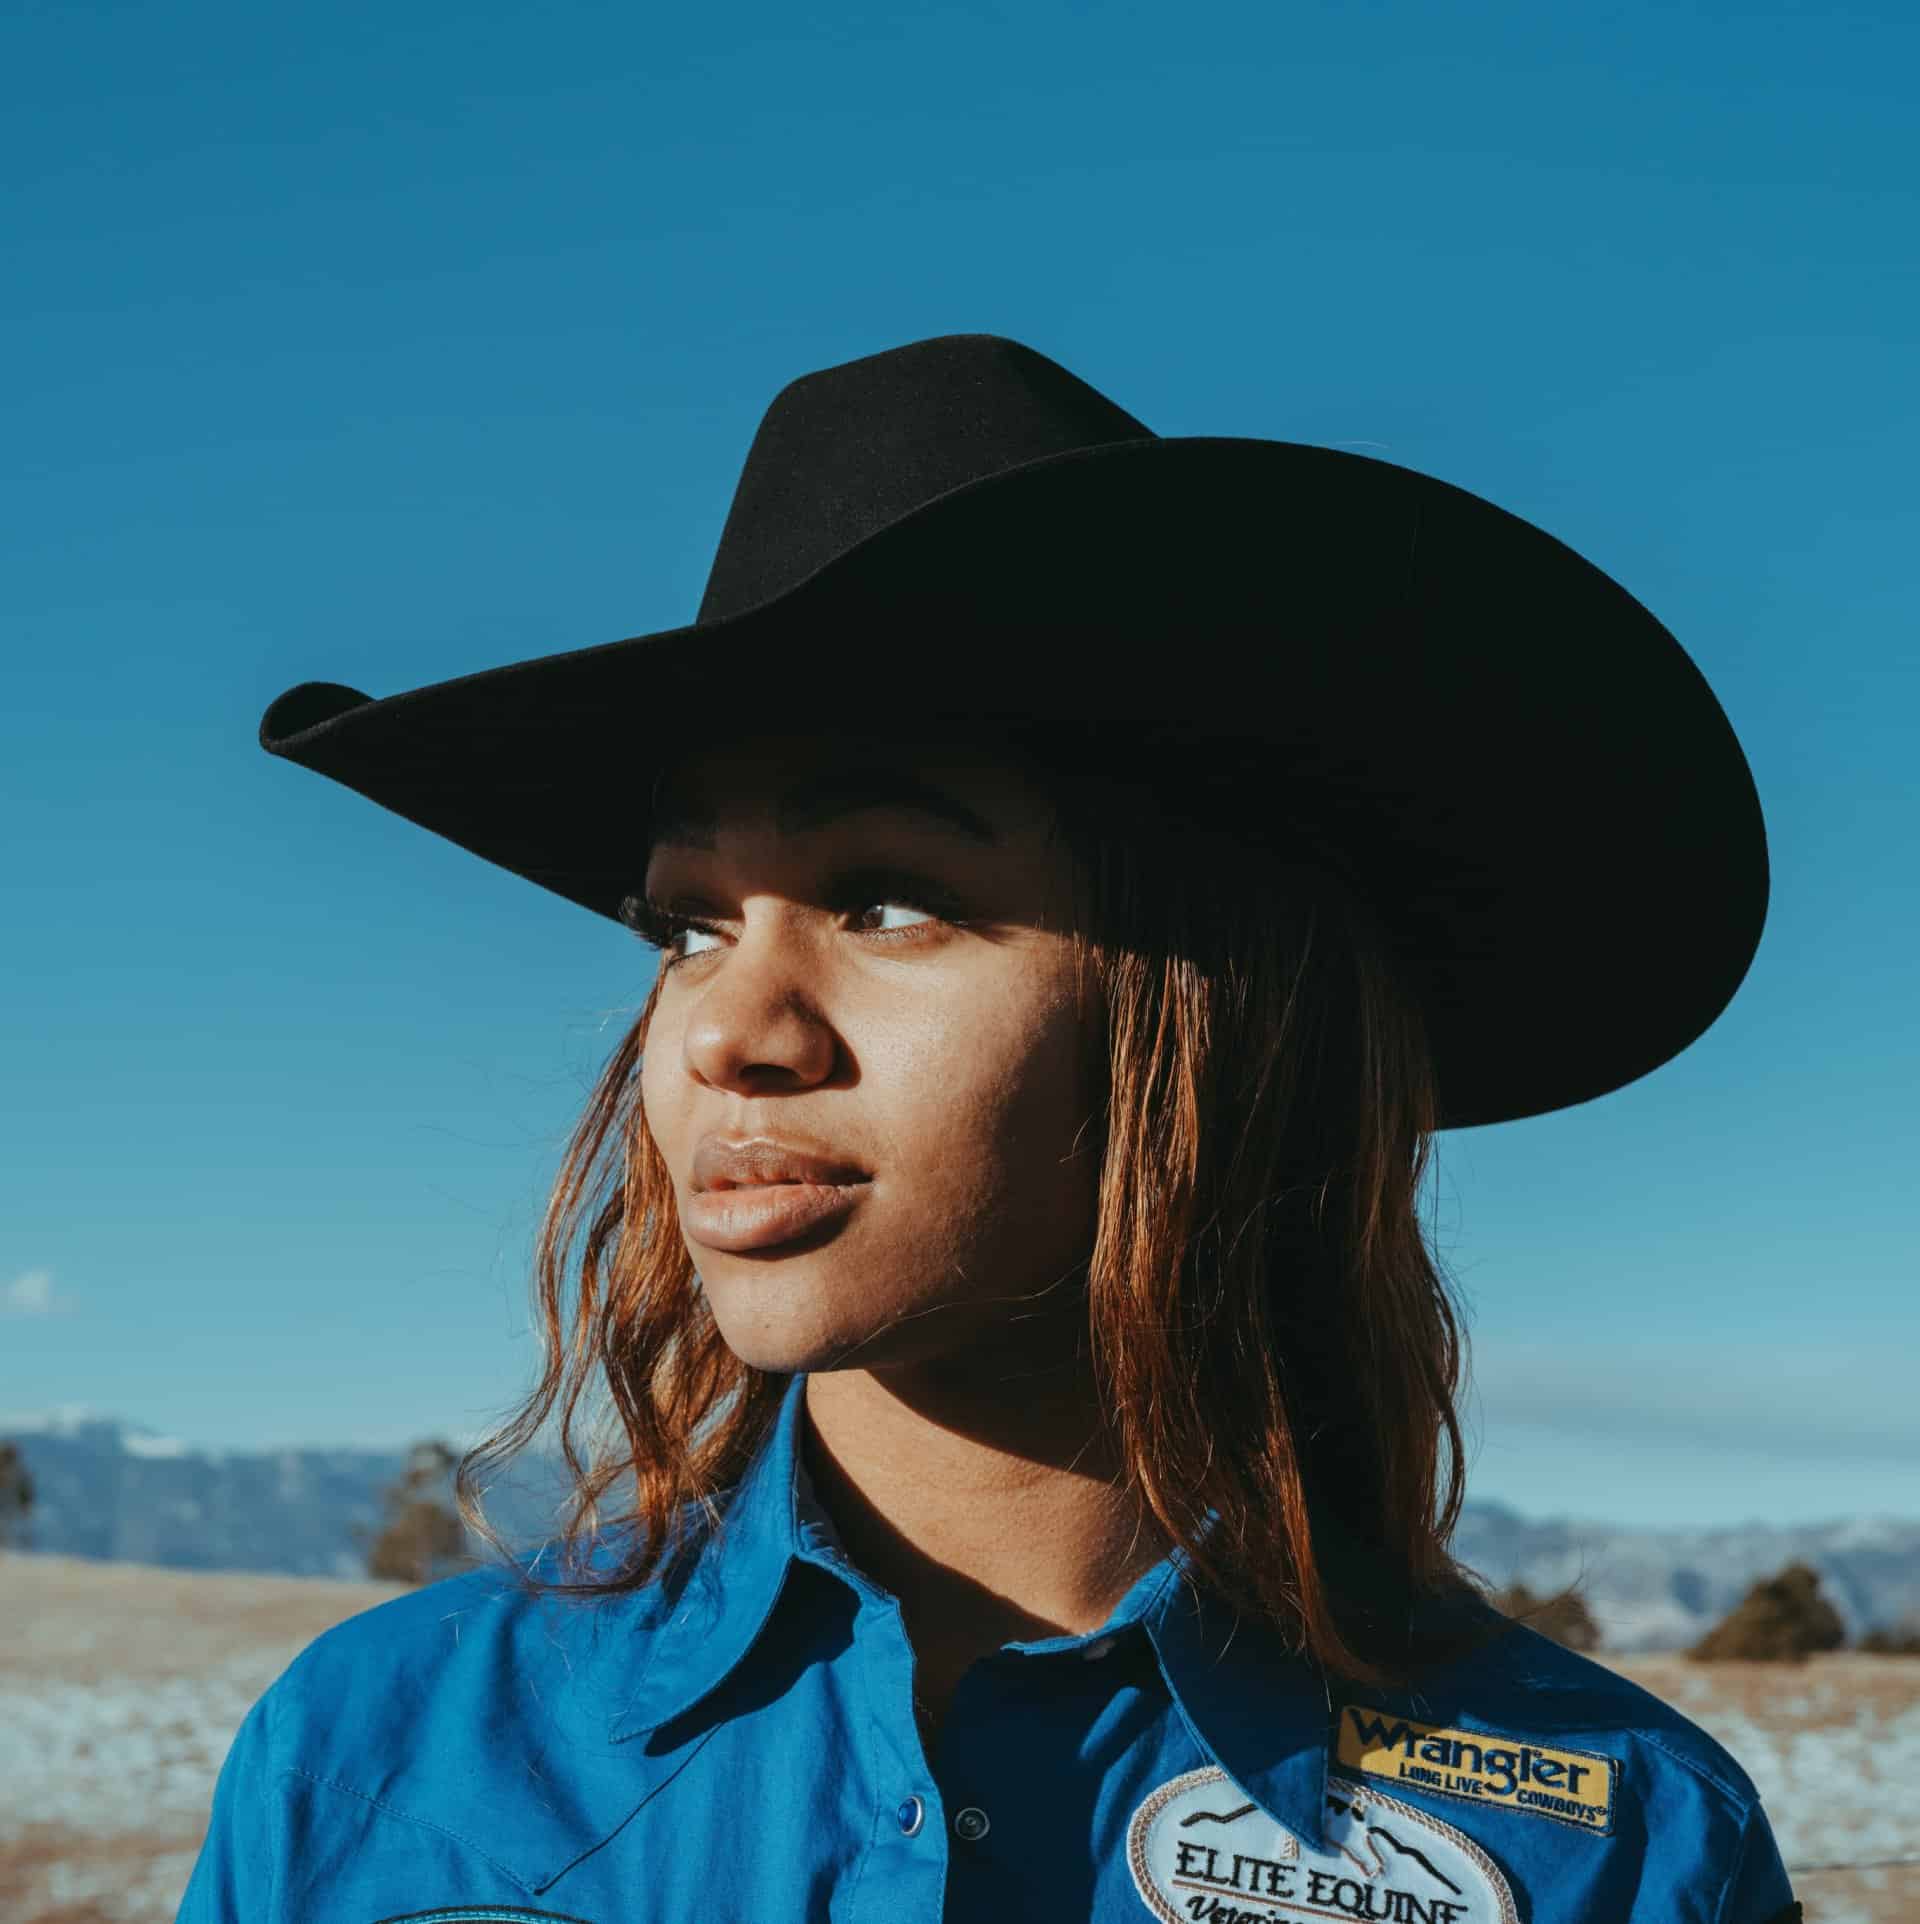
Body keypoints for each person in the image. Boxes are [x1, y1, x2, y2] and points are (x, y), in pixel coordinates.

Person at [178, 333, 1799, 1921]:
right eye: (684, 927)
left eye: (890, 900)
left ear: (1217, 1018)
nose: (731, 1032)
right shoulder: (374, 1759)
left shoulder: (1626, 1847)